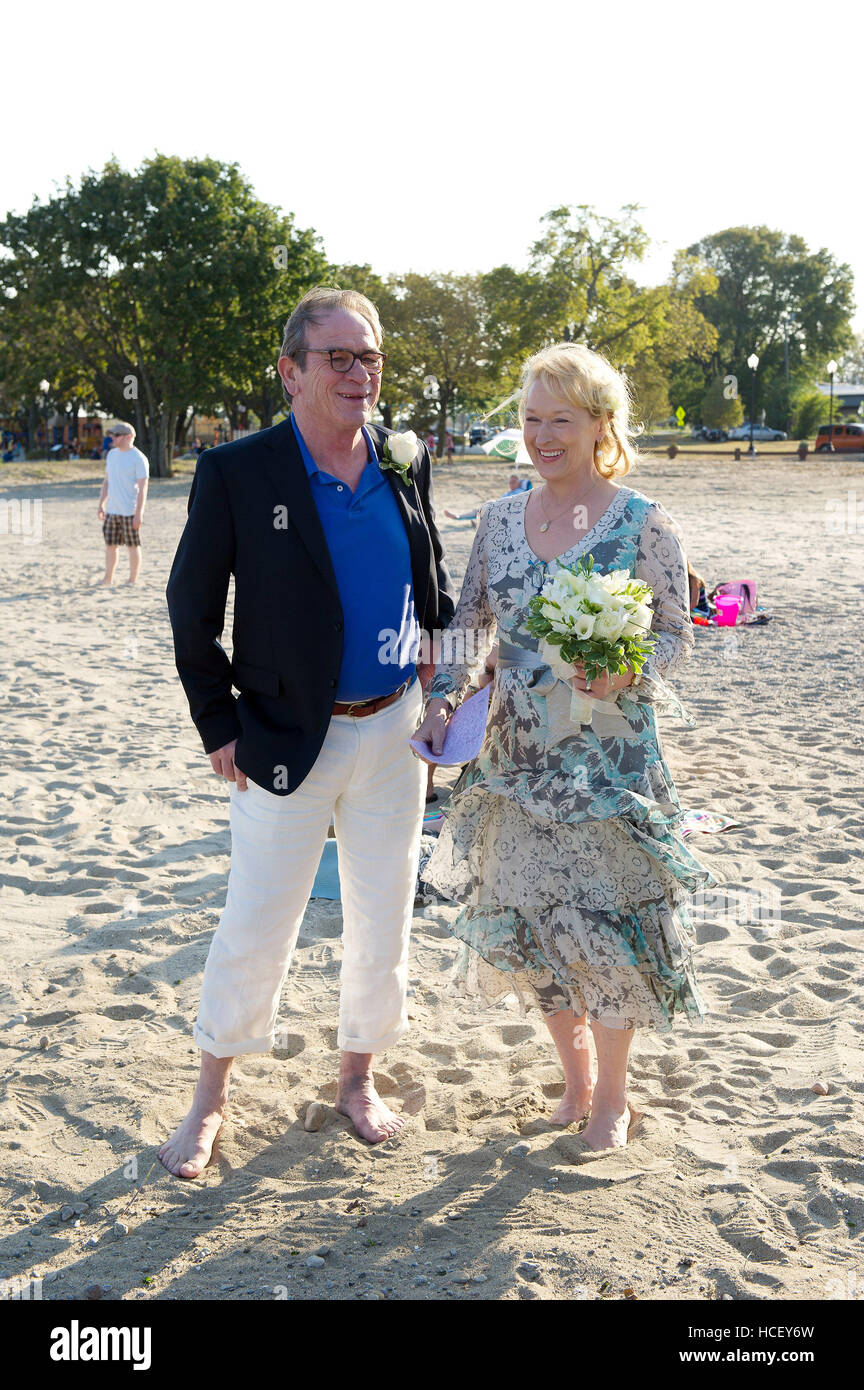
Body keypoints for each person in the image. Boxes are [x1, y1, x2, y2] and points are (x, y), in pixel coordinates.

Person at [161, 287, 454, 1177]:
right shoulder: (238, 472)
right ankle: (210, 1099)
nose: (360, 373)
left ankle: (357, 1078)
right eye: (339, 357)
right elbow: (190, 607)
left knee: (383, 913)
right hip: (284, 735)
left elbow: (432, 576)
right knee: (258, 920)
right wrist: (219, 723)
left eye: (371, 357)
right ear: (290, 372)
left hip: (394, 732)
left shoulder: (405, 459)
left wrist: (437, 667)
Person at [413, 343, 716, 1152]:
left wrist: (626, 671)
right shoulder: (497, 520)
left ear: (600, 424)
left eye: (562, 420)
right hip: (516, 759)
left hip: (610, 759)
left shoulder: (645, 521)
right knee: (532, 925)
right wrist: (443, 701)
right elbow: (470, 624)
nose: (543, 436)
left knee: (607, 924)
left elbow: (678, 633)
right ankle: (575, 1082)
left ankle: (613, 1096)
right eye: (532, 419)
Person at [96, 422, 148, 585]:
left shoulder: (139, 458)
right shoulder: (111, 455)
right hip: (112, 510)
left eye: (116, 435)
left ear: (128, 437)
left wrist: (139, 514)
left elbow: (143, 489)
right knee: (110, 545)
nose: (113, 438)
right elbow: (107, 482)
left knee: (133, 545)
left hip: (130, 511)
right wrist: (101, 504)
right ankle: (108, 578)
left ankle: (132, 579)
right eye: (112, 435)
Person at [445, 472, 532, 524]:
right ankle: (459, 517)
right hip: (498, 506)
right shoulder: (508, 493)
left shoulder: (521, 492)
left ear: (519, 483)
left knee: (484, 510)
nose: (511, 485)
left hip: (506, 510)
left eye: (513, 482)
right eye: (510, 483)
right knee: (480, 510)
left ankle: (461, 518)